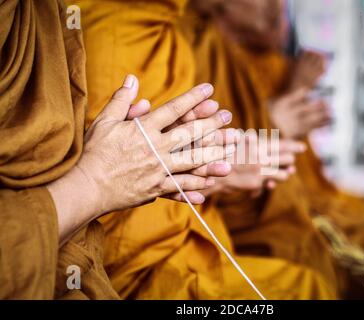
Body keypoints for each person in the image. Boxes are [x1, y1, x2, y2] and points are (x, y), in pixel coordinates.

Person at [75, 0, 336, 299]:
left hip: (198, 236)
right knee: (308, 287)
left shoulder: (177, 33)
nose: (276, 6)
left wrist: (217, 165)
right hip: (144, 266)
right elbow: (105, 193)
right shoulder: (114, 33)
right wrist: (212, 171)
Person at [0, 0, 235, 299]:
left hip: (183, 255)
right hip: (144, 274)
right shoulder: (110, 30)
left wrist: (197, 162)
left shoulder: (42, 12)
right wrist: (95, 183)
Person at [185, 0, 364, 298]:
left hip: (293, 199)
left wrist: (291, 92)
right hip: (240, 217)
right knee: (310, 266)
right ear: (219, 5)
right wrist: (272, 122)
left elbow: (302, 175)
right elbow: (213, 154)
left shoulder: (274, 65)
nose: (276, 6)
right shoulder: (199, 45)